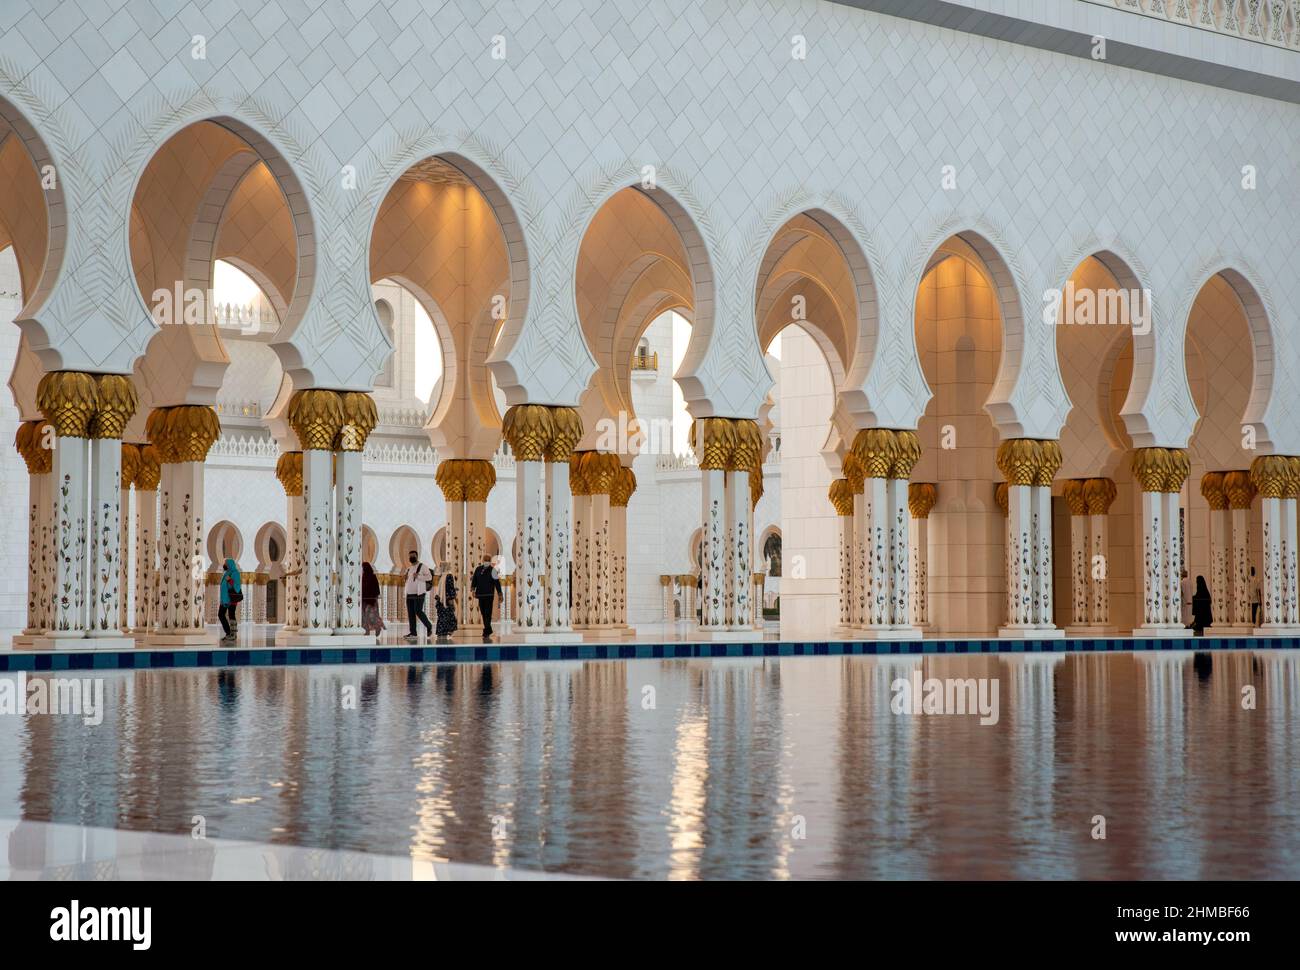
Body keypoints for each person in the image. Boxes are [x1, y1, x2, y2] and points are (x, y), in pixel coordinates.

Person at [471, 554, 503, 640]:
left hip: (489, 595)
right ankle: (488, 630)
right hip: (480, 594)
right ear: (483, 560)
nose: (486, 561)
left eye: (488, 560)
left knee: (487, 613)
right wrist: (473, 590)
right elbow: (474, 580)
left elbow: (497, 583)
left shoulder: (493, 570)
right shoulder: (478, 569)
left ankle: (486, 631)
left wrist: (500, 594)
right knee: (483, 613)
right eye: (485, 560)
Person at [403, 552, 433, 641]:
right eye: (410, 556)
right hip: (409, 594)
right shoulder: (409, 568)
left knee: (418, 611)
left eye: (413, 556)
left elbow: (429, 577)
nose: (411, 557)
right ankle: (413, 633)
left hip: (419, 593)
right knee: (410, 613)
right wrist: (405, 578)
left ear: (417, 556)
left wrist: (419, 576)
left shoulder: (422, 566)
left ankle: (429, 626)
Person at [218, 557, 242, 642]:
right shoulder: (226, 573)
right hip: (225, 599)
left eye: (225, 564)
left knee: (231, 615)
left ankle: (233, 634)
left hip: (231, 599)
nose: (224, 565)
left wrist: (230, 580)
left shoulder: (235, 573)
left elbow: (237, 586)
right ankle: (228, 633)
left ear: (229, 564)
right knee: (221, 614)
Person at [434, 567, 458, 642]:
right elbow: (450, 588)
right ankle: (448, 631)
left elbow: (442, 590)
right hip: (446, 601)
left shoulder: (442, 577)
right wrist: (451, 599)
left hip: (441, 601)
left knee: (442, 616)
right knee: (449, 615)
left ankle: (442, 632)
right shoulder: (449, 576)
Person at [361, 561, 384, 638]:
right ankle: (366, 630)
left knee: (373, 616)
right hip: (364, 600)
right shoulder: (362, 577)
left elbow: (376, 588)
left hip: (371, 600)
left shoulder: (372, 576)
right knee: (364, 616)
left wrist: (374, 597)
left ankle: (377, 628)